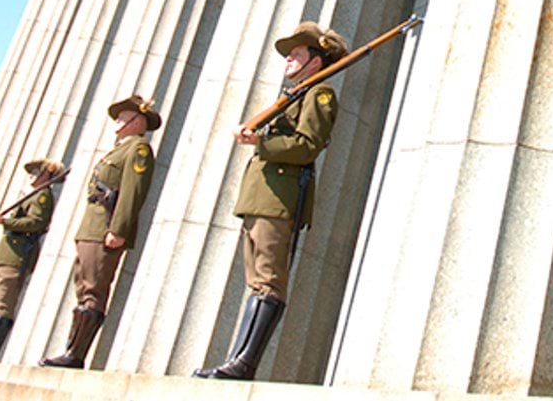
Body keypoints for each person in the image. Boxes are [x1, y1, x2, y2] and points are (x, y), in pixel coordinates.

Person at [194, 21, 348, 380]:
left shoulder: (319, 94)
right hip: (261, 198)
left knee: (268, 282)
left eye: (297, 53)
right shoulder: (296, 94)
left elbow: (308, 145)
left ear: (316, 59)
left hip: (280, 199)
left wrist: (260, 142)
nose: (289, 59)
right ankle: (237, 362)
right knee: (258, 282)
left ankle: (243, 365)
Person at [41, 95, 159, 368]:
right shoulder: (117, 150)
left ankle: (76, 355)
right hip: (91, 225)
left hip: (106, 227)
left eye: (122, 117)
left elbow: (132, 192)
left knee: (94, 289)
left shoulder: (138, 149)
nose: (117, 122)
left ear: (136, 121)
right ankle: (71, 349)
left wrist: (118, 229)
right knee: (84, 287)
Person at [0, 158, 63, 362]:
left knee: (4, 304)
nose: (31, 174)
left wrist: (5, 221)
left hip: (18, 254)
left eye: (36, 171)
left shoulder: (42, 196)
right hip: (10, 254)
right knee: (1, 302)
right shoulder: (33, 196)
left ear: (47, 173)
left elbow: (36, 222)